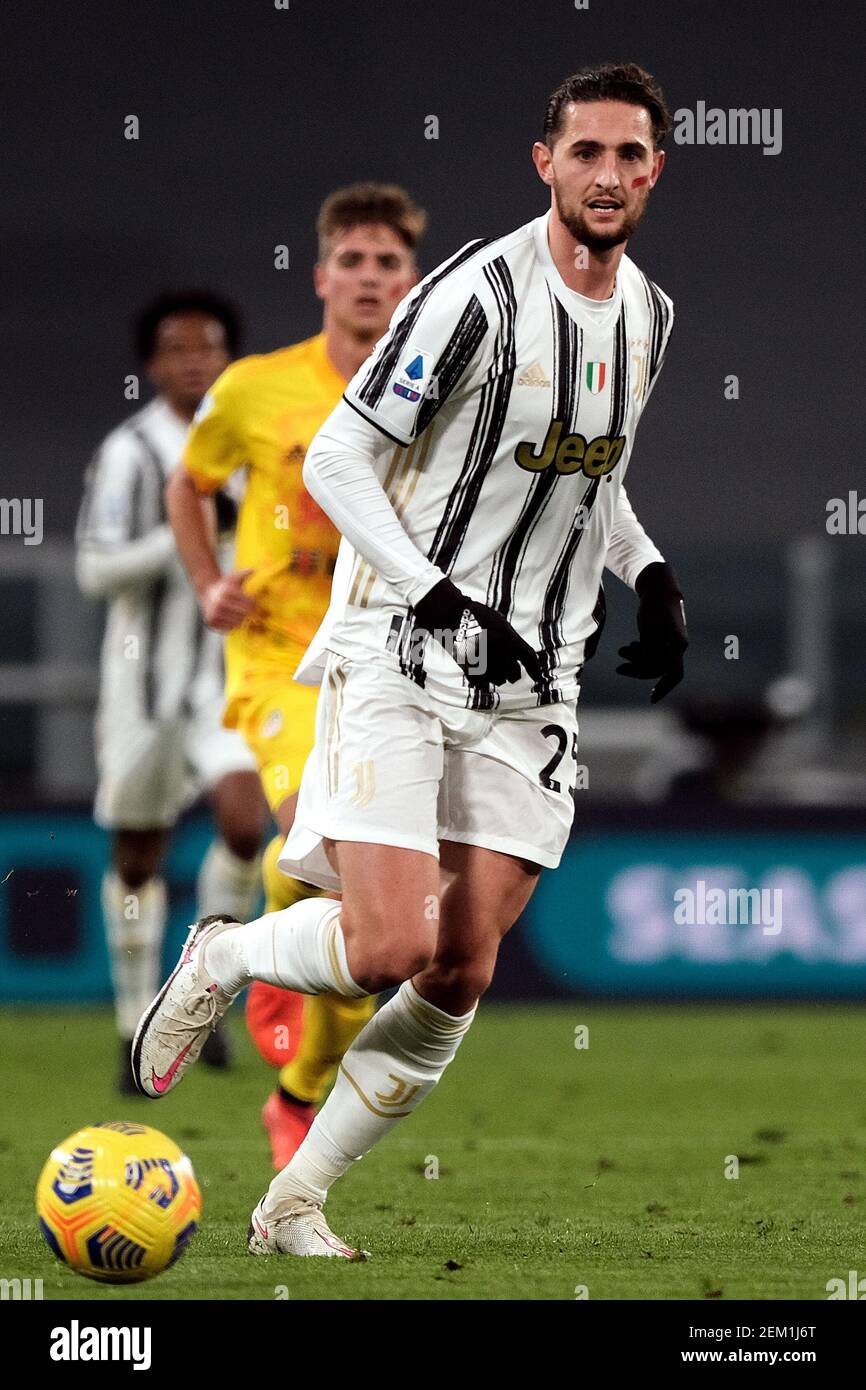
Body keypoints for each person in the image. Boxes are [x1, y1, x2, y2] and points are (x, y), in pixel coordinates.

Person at [134, 62, 689, 1257]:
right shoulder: (473, 297)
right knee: (385, 943)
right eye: (582, 152)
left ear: (655, 168)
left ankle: (292, 1203)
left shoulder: (648, 315)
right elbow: (338, 458)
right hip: (401, 645)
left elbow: (588, 476)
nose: (605, 174)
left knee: (457, 966)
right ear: (543, 162)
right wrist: (439, 589)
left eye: (628, 155)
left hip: (535, 677)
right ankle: (226, 952)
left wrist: (646, 574)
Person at [164, 184, 427, 1165]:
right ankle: (260, 956)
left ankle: (299, 1082)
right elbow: (186, 482)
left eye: (387, 262)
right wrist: (204, 582)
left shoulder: (439, 390)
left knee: (383, 932)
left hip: (397, 662)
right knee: (310, 853)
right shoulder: (255, 388)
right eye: (351, 261)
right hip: (283, 661)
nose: (368, 278)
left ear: (412, 280)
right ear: (320, 277)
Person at [76, 291, 268, 1093]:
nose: (195, 359)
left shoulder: (257, 443)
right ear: (151, 364)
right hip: (144, 683)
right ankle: (132, 1023)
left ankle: (199, 1009)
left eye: (210, 345)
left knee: (245, 822)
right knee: (138, 853)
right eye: (178, 348)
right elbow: (94, 569)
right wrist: (188, 527)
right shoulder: (130, 452)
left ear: (229, 356)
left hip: (230, 679)